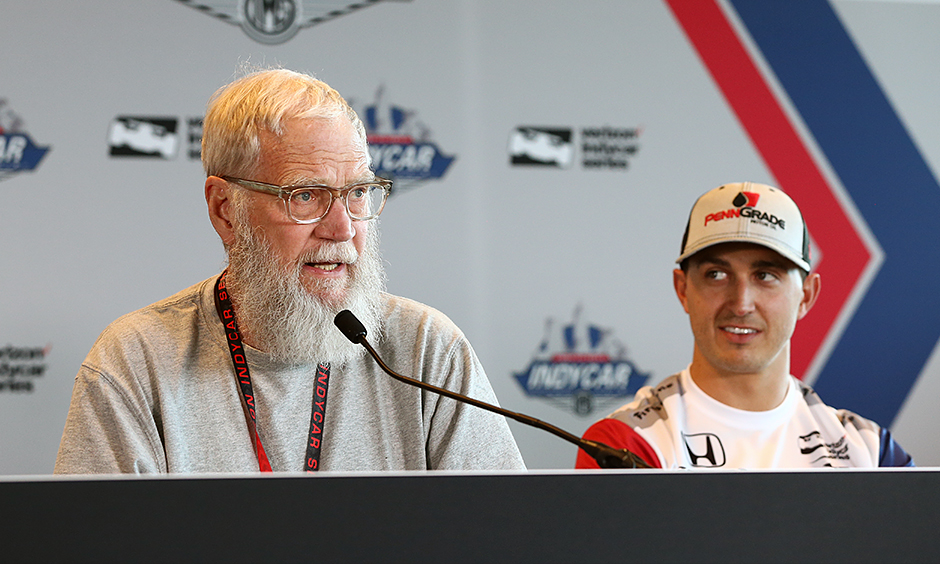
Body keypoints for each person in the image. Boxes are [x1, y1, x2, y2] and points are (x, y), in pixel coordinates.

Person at [55, 68, 525, 474]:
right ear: (225, 210)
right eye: (305, 195)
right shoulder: (136, 362)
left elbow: (507, 532)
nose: (343, 229)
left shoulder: (427, 352)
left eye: (358, 193)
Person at [576, 182, 913, 469]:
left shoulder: (870, 452)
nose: (741, 304)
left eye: (765, 276)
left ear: (806, 296)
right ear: (683, 290)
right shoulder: (625, 444)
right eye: (716, 275)